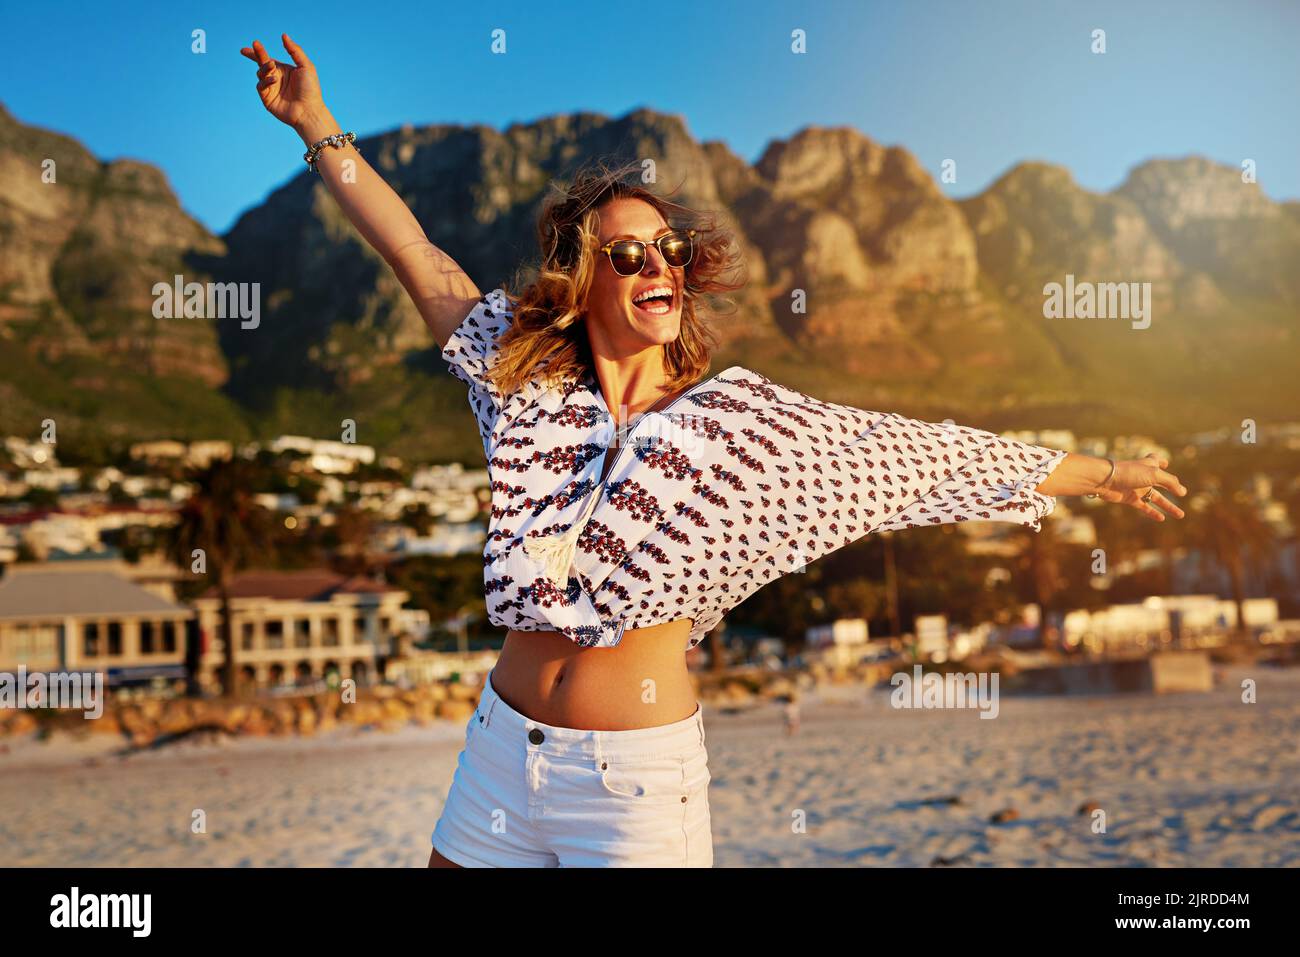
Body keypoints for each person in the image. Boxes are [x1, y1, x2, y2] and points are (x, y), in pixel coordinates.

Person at [241, 35, 1189, 868]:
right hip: (499, 751)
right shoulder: (522, 385)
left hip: (636, 786)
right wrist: (317, 125)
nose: (658, 267)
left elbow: (917, 456)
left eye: (670, 251)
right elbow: (418, 255)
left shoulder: (740, 429)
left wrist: (1102, 475)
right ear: (582, 279)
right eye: (627, 255)